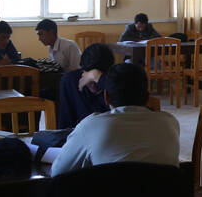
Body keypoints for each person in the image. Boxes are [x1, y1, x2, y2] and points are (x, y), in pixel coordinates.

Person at [51, 64, 181, 174]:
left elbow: (57, 172)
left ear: (106, 97)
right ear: (148, 97)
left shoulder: (91, 126)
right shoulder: (169, 123)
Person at [57, 42, 116, 128]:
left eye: (97, 79)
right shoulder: (70, 80)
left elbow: (121, 117)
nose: (94, 85)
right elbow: (65, 123)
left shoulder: (113, 83)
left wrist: (97, 77)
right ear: (83, 71)